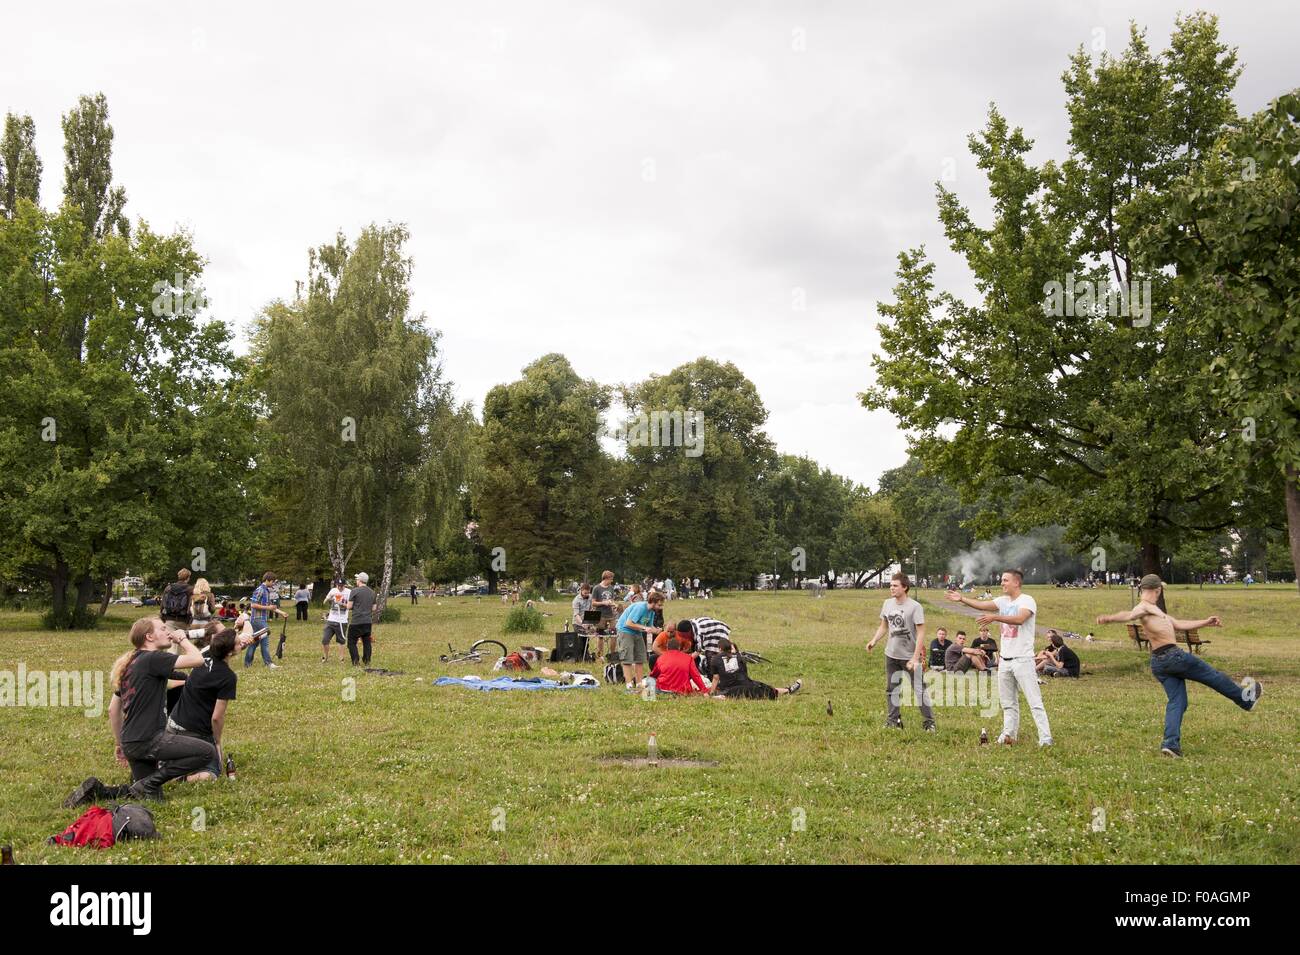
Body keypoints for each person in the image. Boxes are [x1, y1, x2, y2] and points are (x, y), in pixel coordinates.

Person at [1096, 574, 1261, 757]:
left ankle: (1171, 744)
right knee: (1213, 676)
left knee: (1178, 702)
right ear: (1158, 590)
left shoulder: (1157, 611)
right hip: (1173, 657)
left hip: (1159, 663)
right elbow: (1129, 615)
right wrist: (1110, 618)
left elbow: (1179, 624)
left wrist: (1206, 622)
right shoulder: (1143, 607)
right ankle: (1245, 699)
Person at [66, 618, 215, 805]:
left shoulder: (129, 663)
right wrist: (182, 639)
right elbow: (198, 660)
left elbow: (113, 709)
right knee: (206, 752)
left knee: (152, 799)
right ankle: (148, 783)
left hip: (132, 742)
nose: (168, 631)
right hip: (149, 739)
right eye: (162, 629)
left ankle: (101, 792)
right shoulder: (153, 658)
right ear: (149, 636)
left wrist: (120, 744)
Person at [947, 569, 1052, 747]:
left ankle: (1045, 738)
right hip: (1005, 660)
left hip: (1023, 659)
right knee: (1008, 703)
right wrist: (962, 599)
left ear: (1016, 582)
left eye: (1005, 580)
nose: (1001, 583)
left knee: (1034, 702)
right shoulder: (1002, 601)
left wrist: (995, 617)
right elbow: (982, 605)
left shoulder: (1027, 600)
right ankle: (1009, 735)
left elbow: (1020, 619)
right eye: (1002, 580)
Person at [167, 627, 241, 781]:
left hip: (171, 725)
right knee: (213, 772)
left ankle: (173, 759)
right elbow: (216, 718)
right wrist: (217, 742)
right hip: (195, 733)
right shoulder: (227, 677)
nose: (242, 644)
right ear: (229, 652)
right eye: (239, 643)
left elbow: (222, 646)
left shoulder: (204, 657)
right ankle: (180, 778)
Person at [868, 572, 935, 732]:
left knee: (919, 690)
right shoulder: (887, 604)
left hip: (910, 657)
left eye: (895, 585)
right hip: (891, 655)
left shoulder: (915, 607)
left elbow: (921, 633)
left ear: (905, 587)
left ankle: (929, 722)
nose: (891, 588)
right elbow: (884, 626)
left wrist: (915, 657)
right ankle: (893, 721)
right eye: (891, 585)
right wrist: (874, 640)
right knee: (892, 689)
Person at [707, 638, 800, 699]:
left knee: (725, 695)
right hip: (746, 686)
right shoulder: (739, 657)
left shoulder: (714, 659)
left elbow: (716, 678)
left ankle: (788, 690)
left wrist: (711, 692)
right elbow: (745, 674)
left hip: (728, 690)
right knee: (766, 689)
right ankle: (788, 690)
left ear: (720, 648)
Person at [614, 590, 662, 691]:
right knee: (627, 658)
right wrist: (644, 628)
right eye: (659, 604)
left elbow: (649, 626)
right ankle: (629, 683)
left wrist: (657, 631)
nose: (660, 607)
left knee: (640, 657)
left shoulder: (651, 612)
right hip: (625, 630)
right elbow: (629, 623)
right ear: (653, 602)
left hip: (637, 632)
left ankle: (639, 683)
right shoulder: (640, 607)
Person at [244, 572, 284, 669]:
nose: (273, 584)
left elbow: (270, 607)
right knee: (265, 642)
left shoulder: (267, 591)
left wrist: (282, 613)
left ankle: (247, 664)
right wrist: (268, 608)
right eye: (273, 582)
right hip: (257, 619)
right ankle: (269, 663)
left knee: (254, 642)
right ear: (268, 580)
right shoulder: (260, 590)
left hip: (260, 619)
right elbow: (253, 605)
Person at [347, 572, 377, 666]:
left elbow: (349, 606)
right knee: (366, 641)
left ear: (360, 580)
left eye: (357, 579)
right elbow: (374, 608)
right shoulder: (372, 592)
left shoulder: (354, 591)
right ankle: (367, 660)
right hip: (367, 621)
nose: (356, 581)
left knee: (351, 642)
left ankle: (355, 661)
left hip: (356, 621)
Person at [590, 571, 619, 661]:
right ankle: (600, 656)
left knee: (614, 635)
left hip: (611, 615)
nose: (612, 580)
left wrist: (614, 605)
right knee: (600, 635)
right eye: (611, 579)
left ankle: (612, 655)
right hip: (601, 615)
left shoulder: (611, 588)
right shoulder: (596, 588)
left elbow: (612, 600)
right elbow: (593, 603)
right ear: (606, 578)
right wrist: (603, 603)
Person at [321, 579, 350, 662]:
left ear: (345, 585)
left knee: (341, 641)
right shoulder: (333, 590)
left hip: (342, 621)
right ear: (336, 585)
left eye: (342, 586)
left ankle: (341, 659)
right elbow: (325, 601)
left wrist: (342, 603)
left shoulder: (349, 592)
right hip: (331, 620)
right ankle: (325, 657)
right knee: (325, 640)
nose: (340, 587)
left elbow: (350, 606)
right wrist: (330, 599)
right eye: (338, 585)